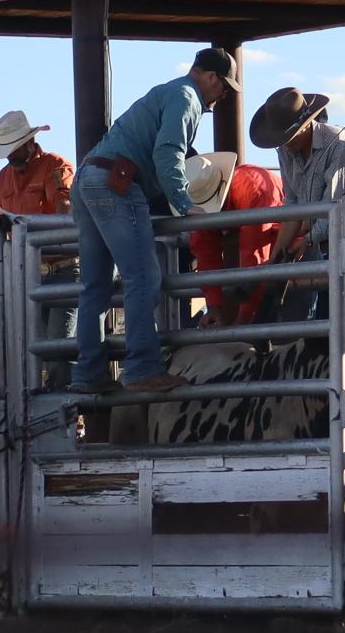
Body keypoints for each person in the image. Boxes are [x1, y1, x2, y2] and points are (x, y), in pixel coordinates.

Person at [68, 47, 236, 394]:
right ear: (211, 77)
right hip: (118, 181)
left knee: (95, 285)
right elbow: (167, 151)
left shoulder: (167, 92)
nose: (224, 95)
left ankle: (88, 373)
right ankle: (142, 368)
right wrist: (184, 203)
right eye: (225, 86)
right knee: (143, 277)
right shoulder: (186, 98)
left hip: (90, 176)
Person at [251, 85, 345, 288]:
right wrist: (277, 257)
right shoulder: (285, 149)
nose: (284, 144)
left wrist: (307, 240)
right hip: (319, 243)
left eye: (288, 137)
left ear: (304, 126)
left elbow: (336, 205)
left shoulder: (339, 143)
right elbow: (292, 202)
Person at [181, 150, 284, 328]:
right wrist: (213, 307)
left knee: (288, 321)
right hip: (263, 256)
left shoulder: (253, 188)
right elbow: (205, 252)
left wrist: (243, 320)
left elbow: (255, 256)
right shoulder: (207, 191)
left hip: (289, 249)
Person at [0, 110, 72, 225]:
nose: (10, 155)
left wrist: (57, 232)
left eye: (15, 149)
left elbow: (63, 203)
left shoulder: (54, 164)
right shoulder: (3, 176)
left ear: (30, 141)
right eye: (7, 151)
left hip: (48, 236)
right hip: (20, 237)